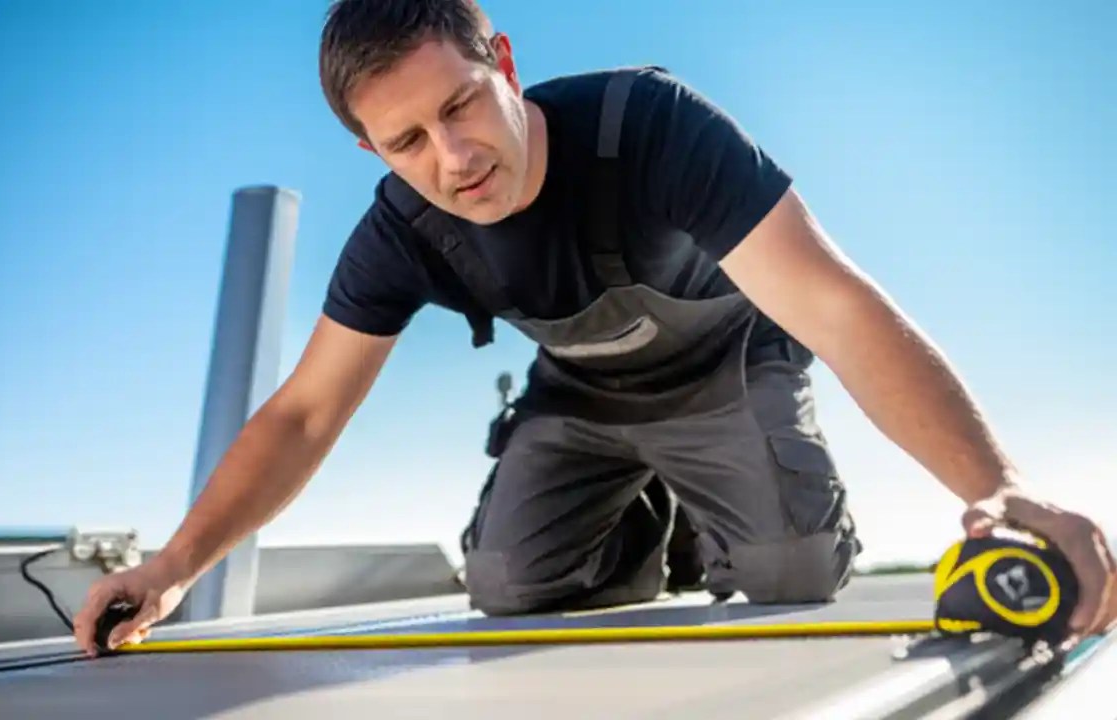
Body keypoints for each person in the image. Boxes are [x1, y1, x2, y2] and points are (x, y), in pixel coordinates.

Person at [73, 0, 1116, 654]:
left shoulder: (649, 128)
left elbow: (835, 307)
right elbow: (301, 417)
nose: (453, 158)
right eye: (406, 141)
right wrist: (169, 569)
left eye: (462, 106)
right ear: (368, 149)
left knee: (789, 572)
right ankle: (646, 522)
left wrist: (995, 487)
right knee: (508, 588)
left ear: (505, 61)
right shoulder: (403, 231)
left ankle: (739, 500)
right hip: (579, 397)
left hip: (725, 365)